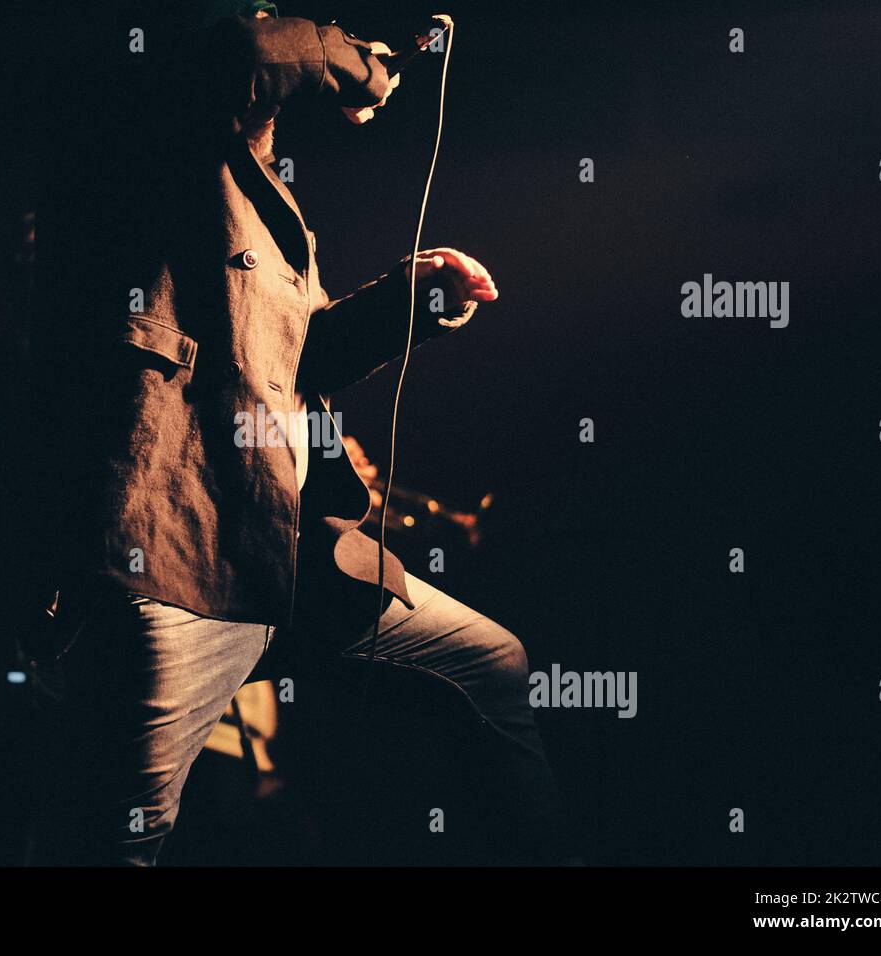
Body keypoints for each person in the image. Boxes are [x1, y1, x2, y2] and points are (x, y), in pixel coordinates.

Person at [31, 1, 565, 865]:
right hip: (179, 562)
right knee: (113, 836)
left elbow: (299, 356)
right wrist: (367, 64)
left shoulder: (267, 209)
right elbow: (248, 48)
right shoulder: (145, 133)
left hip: (286, 557)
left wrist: (416, 298)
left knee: (490, 663)